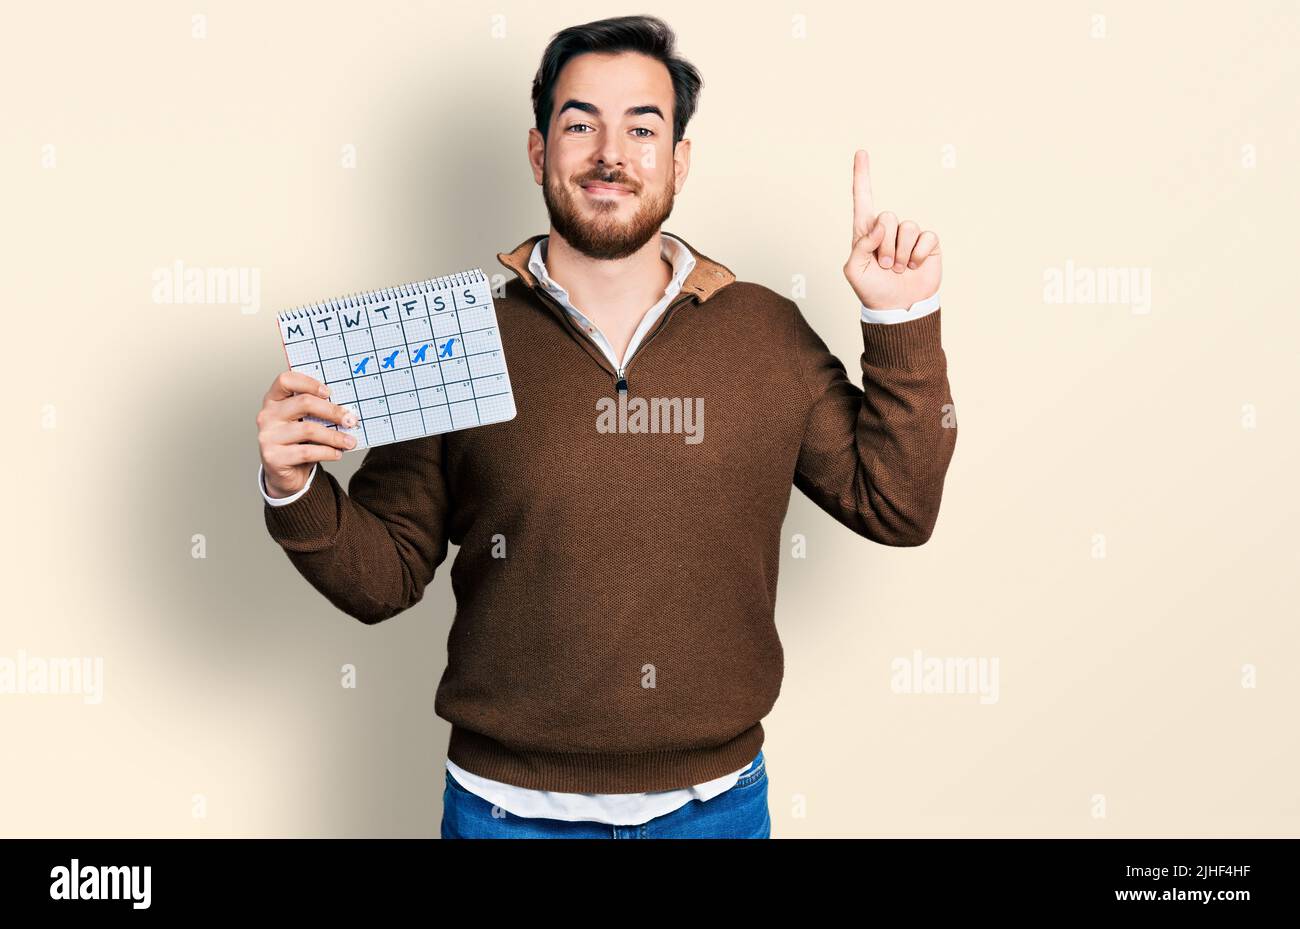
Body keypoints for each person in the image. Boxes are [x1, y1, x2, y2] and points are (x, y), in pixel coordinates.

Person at [255, 14, 956, 839]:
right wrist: (291, 485)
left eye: (642, 127)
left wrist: (902, 316)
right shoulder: (451, 342)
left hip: (716, 812)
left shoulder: (767, 333)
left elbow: (898, 507)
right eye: (580, 123)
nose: (609, 154)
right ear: (537, 150)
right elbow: (384, 578)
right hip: (500, 815)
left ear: (679, 161)